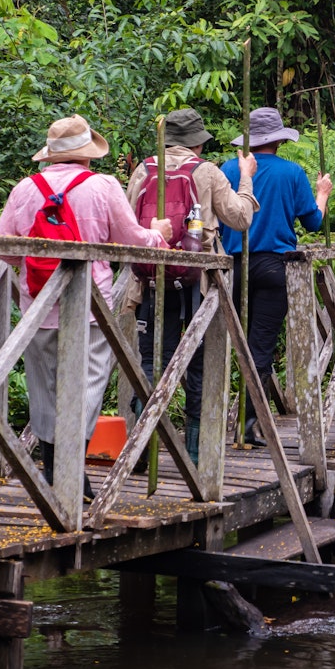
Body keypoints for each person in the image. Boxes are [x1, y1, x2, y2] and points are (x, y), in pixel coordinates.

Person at [0, 114, 173, 501]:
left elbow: (3, 250)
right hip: (91, 309)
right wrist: (158, 235)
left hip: (38, 305)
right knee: (88, 386)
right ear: (87, 155)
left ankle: (56, 470)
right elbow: (133, 241)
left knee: (44, 388)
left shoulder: (25, 189)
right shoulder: (102, 186)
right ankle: (70, 473)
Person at [126, 108, 258, 464]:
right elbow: (240, 218)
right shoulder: (207, 171)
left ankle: (138, 453)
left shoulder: (143, 169)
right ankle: (198, 456)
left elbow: (127, 223)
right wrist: (246, 178)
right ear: (198, 142)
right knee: (198, 364)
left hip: (150, 280)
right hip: (198, 284)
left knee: (153, 363)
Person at [219, 107, 332, 447]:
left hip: (233, 265)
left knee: (228, 347)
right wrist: (323, 192)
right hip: (273, 266)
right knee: (260, 347)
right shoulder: (292, 173)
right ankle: (249, 424)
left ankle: (221, 421)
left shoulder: (228, 169)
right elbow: (313, 223)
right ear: (280, 140)